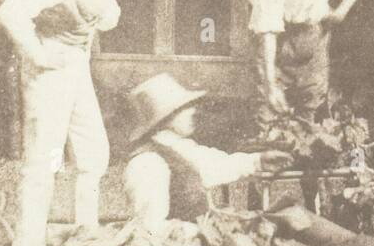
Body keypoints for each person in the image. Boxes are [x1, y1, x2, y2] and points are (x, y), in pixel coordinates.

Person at [0, 0, 126, 246]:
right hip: (49, 67)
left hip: (77, 63)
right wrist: (38, 54)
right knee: (44, 157)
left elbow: (110, 13)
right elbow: (10, 13)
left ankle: (86, 236)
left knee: (93, 151)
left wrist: (103, 15)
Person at [123, 73, 294, 235]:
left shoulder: (177, 148)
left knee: (294, 218)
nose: (193, 111)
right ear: (164, 119)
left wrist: (259, 161)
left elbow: (216, 165)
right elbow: (150, 228)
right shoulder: (147, 163)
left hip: (203, 234)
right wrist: (207, 230)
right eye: (183, 108)